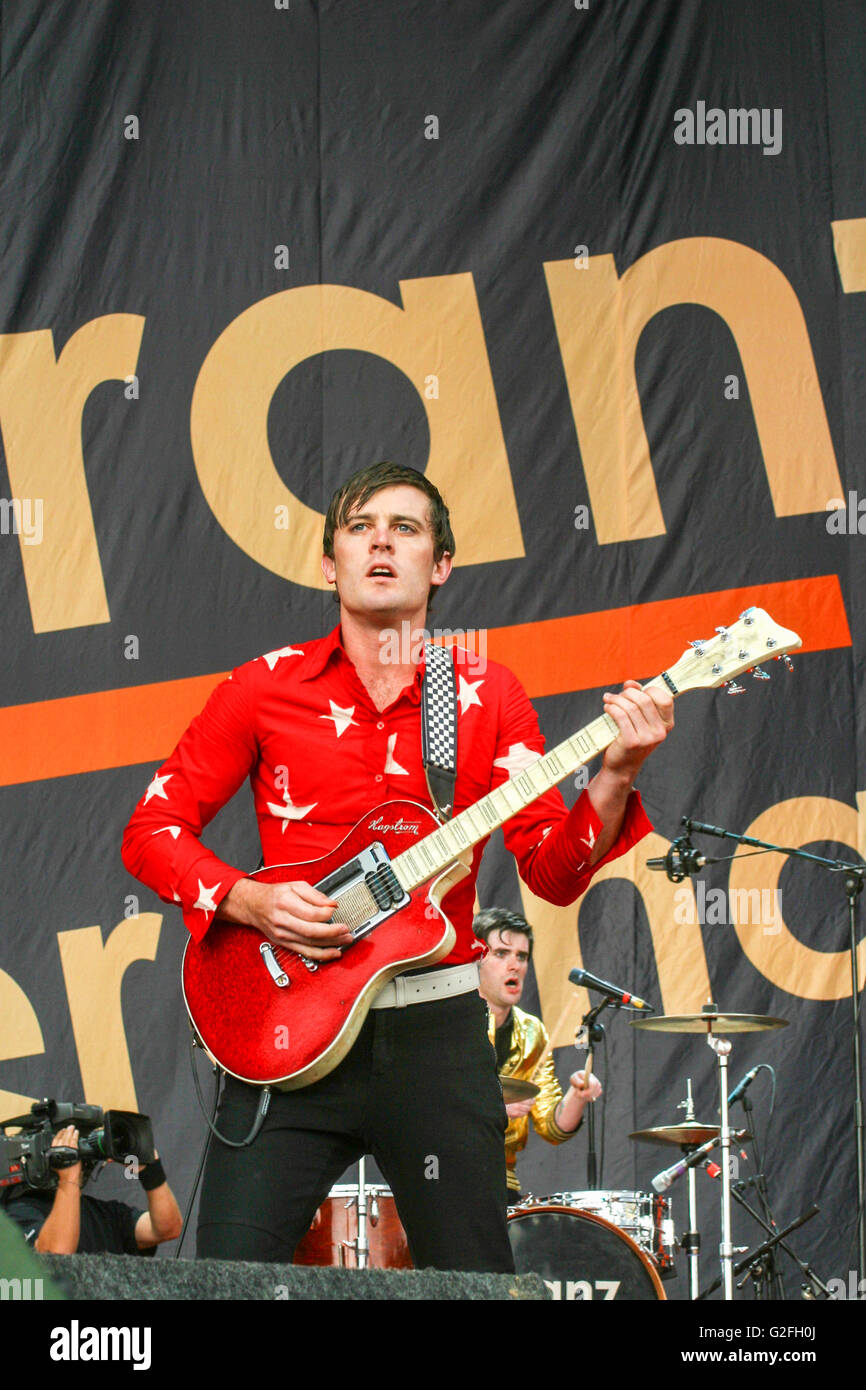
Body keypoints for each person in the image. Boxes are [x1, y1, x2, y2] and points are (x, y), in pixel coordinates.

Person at [121, 461, 673, 1270]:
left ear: (440, 565)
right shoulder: (262, 688)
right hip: (287, 1029)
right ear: (329, 562)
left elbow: (552, 875)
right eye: (359, 528)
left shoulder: (486, 694)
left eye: (406, 529)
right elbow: (151, 831)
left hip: (435, 1037)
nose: (381, 542)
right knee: (229, 1285)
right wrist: (245, 900)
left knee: (475, 1287)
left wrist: (617, 775)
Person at [475, 907, 602, 1202]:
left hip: (502, 1183)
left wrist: (578, 1095)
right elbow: (432, 1107)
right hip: (446, 1176)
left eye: (522, 956)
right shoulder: (449, 1023)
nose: (514, 966)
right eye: (501, 953)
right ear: (476, 959)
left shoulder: (532, 1032)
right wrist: (495, 1107)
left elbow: (551, 1127)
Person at [2, 1125, 182, 1255]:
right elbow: (55, 1256)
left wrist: (149, 1169)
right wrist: (68, 1179)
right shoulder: (16, 1213)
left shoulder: (104, 1214)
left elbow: (167, 1229)